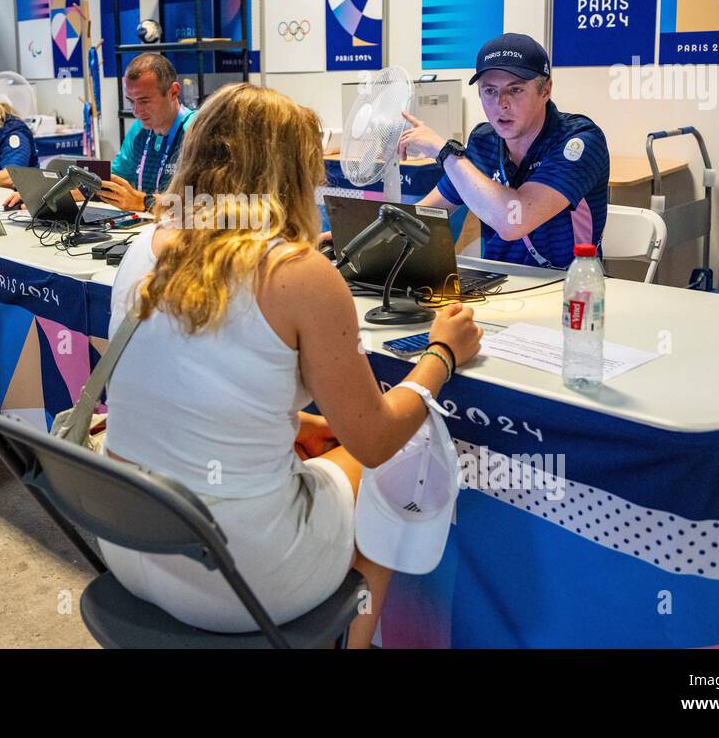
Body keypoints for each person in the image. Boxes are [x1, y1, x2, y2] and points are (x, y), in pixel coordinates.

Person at [100, 83, 482, 647]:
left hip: (130, 547)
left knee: (329, 442)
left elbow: (204, 390)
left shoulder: (143, 246)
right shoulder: (300, 273)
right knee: (395, 463)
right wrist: (441, 355)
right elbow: (376, 439)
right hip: (243, 578)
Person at [400, 33, 610, 269]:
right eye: (490, 91)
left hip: (568, 290)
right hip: (497, 290)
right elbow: (423, 214)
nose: (502, 103)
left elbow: (514, 221)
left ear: (546, 90)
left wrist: (445, 152)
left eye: (516, 89)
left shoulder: (579, 140)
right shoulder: (484, 141)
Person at [99, 53, 196, 213]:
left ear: (173, 92)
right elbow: (116, 178)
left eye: (144, 101)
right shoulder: (138, 129)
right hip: (145, 227)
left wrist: (144, 202)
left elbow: (204, 201)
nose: (136, 111)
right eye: (131, 101)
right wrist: (83, 189)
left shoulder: (196, 131)